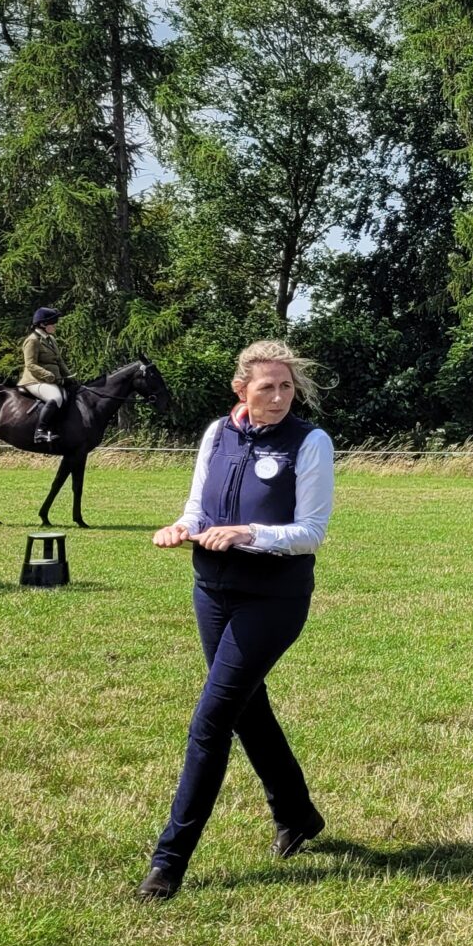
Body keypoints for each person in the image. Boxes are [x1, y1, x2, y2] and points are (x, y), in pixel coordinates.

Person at [139, 340, 335, 900]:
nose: (278, 398)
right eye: (267, 387)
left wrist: (250, 534)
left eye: (287, 387)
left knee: (211, 719)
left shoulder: (310, 442)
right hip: (212, 590)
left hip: (273, 599)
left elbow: (310, 532)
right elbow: (198, 507)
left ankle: (168, 861)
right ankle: (297, 814)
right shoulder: (216, 434)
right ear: (240, 389)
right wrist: (180, 528)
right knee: (246, 708)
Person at [19, 306, 72, 451]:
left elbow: (59, 361)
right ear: (43, 324)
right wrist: (48, 375)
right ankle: (40, 432)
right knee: (56, 398)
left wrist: (69, 377)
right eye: (52, 323)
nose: (55, 326)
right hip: (35, 380)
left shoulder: (51, 339)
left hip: (53, 380)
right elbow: (30, 364)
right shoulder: (32, 340)